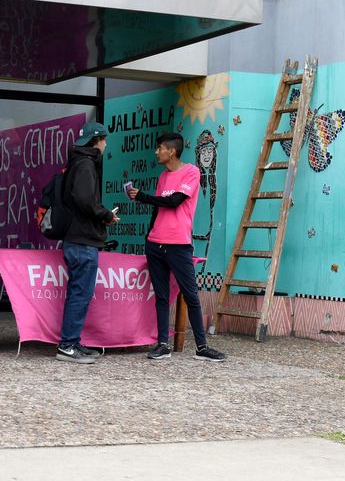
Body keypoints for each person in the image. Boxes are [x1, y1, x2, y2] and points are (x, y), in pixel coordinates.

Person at [127, 132, 227, 362]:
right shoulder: (163, 177)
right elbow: (158, 208)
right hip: (155, 244)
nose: (156, 152)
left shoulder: (192, 172)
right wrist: (149, 235)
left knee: (190, 294)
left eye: (159, 148)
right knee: (161, 296)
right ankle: (162, 344)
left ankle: (202, 347)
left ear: (171, 151)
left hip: (178, 245)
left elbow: (173, 202)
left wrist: (142, 197)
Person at [55, 122, 119, 365]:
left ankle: (72, 342)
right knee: (80, 294)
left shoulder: (78, 162)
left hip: (77, 239)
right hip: (82, 241)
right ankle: (68, 345)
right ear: (98, 140)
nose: (106, 144)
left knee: (78, 293)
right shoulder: (85, 164)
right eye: (105, 140)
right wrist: (105, 215)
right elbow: (83, 199)